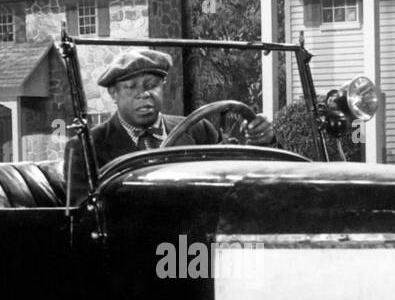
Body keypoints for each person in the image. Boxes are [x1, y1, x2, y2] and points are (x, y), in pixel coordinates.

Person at [64, 48, 274, 204]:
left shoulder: (199, 129)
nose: (144, 94)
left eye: (151, 85)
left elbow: (237, 171)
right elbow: (84, 218)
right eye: (131, 87)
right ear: (113, 94)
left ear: (162, 87)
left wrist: (263, 140)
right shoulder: (85, 148)